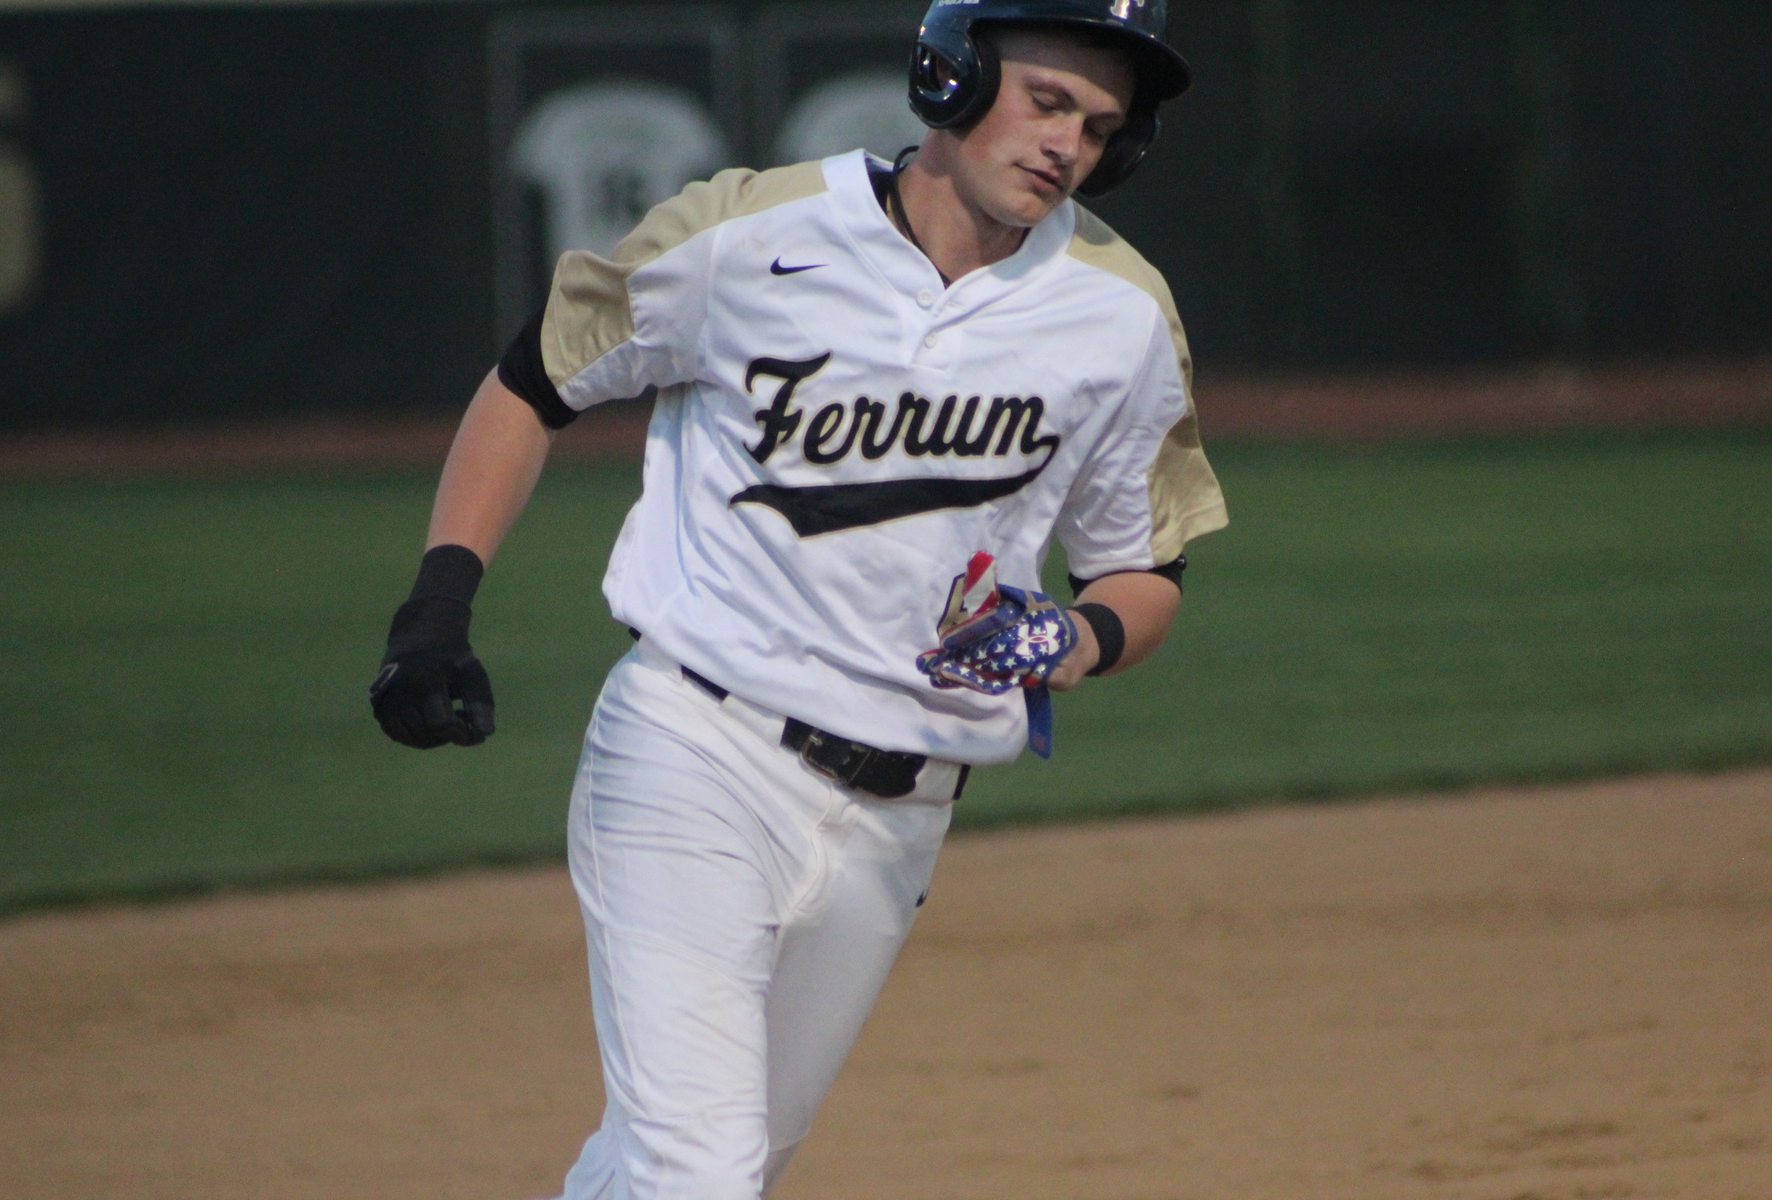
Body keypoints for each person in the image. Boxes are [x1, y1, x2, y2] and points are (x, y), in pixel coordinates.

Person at [369, 0, 1228, 1195]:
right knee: (699, 1167)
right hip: (694, 748)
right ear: (953, 75)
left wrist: (1074, 637)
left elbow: (1147, 572)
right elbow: (533, 384)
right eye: (1045, 101)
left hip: (902, 811)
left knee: (715, 1162)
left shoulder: (1120, 314)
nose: (1067, 145)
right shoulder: (747, 231)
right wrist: (437, 607)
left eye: (1100, 127)